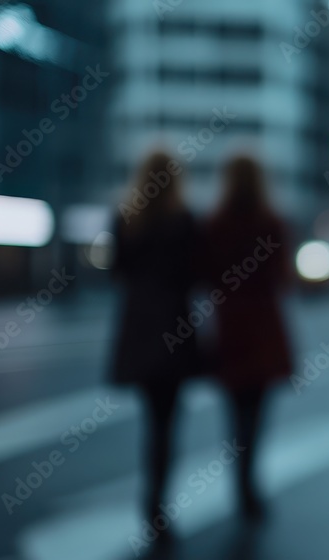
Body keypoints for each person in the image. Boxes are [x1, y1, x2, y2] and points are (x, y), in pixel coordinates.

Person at [110, 151, 198, 547]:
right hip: (174, 330)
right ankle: (158, 503)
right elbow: (195, 275)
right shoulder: (184, 222)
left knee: (152, 419)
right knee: (167, 421)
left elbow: (116, 271)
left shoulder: (127, 220)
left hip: (138, 327)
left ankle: (152, 501)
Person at [203, 155, 294, 518]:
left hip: (230, 327)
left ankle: (241, 483)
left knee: (234, 413)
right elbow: (282, 276)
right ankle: (249, 488)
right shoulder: (271, 223)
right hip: (263, 330)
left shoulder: (216, 223)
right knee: (256, 415)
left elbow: (204, 273)